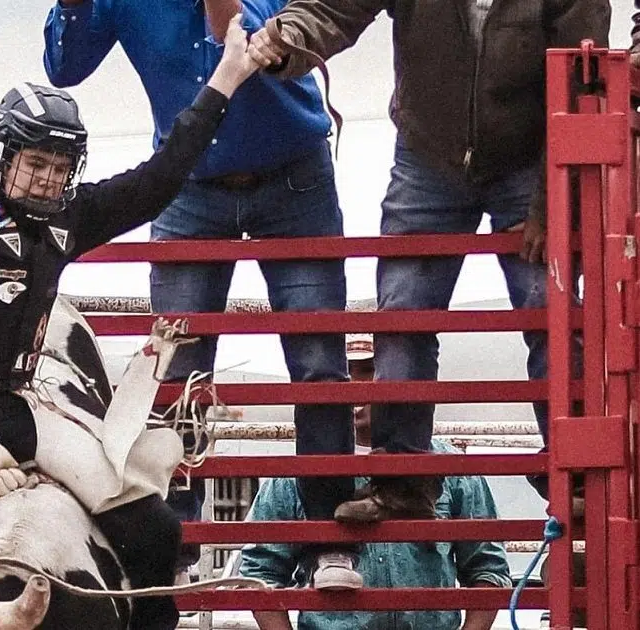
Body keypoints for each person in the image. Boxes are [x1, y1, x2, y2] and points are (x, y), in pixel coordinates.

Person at [0, 16, 258, 630]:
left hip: (18, 402)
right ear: (2, 154)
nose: (50, 178)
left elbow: (158, 180)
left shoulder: (66, 217)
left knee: (153, 528)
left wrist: (226, 76)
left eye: (62, 166)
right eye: (36, 162)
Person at [247, 0, 610, 519]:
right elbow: (337, 8)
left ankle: (573, 472)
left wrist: (552, 197)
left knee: (547, 305)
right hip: (429, 154)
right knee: (403, 311)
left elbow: (581, 75)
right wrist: (288, 36)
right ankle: (401, 479)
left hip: (529, 157)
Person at [43, 0, 359, 591]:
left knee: (318, 363)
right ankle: (172, 540)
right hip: (190, 180)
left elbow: (240, 33)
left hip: (293, 174)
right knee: (177, 371)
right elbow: (65, 67)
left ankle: (329, 543)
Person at [240, 334, 512, 630]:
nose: (355, 387)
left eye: (368, 371)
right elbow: (259, 573)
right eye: (346, 374)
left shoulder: (451, 467)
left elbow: (487, 568)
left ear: (393, 375)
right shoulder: (295, 476)